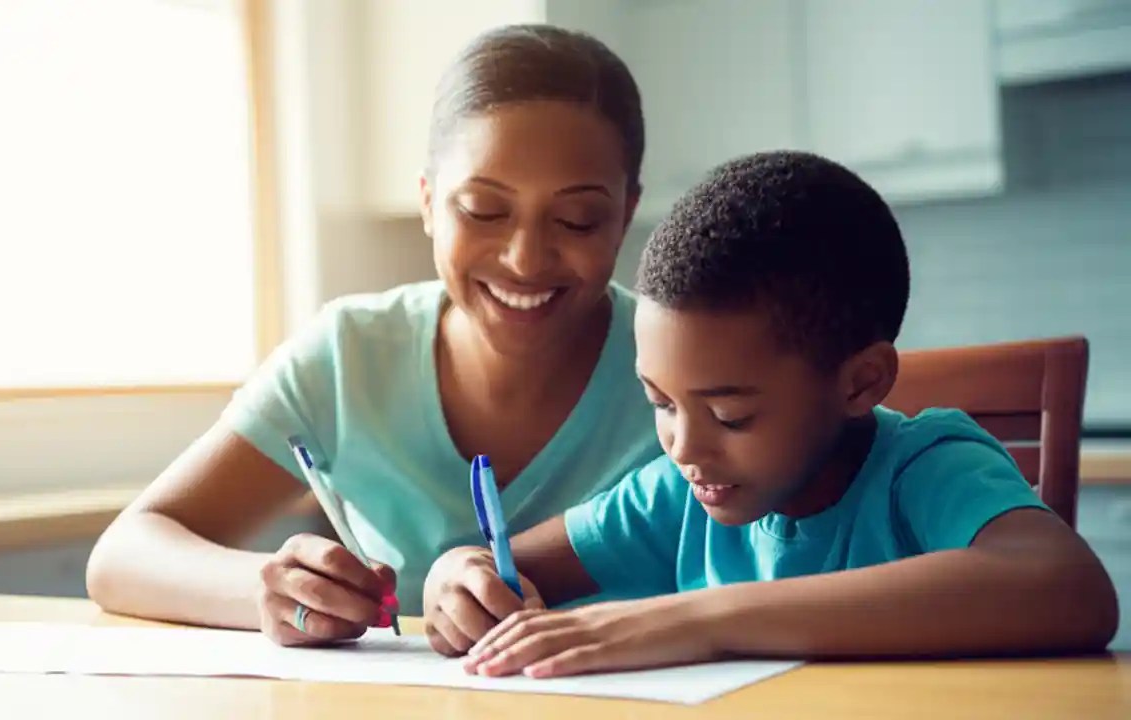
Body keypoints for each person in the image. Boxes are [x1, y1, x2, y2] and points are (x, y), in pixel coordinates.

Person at [423, 151, 1119, 677]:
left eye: (730, 415)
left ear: (861, 382)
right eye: (661, 403)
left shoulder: (925, 468)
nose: (684, 446)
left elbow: (1072, 589)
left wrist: (701, 620)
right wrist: (458, 574)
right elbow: (505, 565)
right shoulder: (679, 495)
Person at [86, 24, 663, 647]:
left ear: (626, 214)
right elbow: (122, 556)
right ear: (427, 202)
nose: (525, 259)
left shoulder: (687, 366)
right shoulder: (349, 357)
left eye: (577, 219)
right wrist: (271, 590)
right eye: (482, 211)